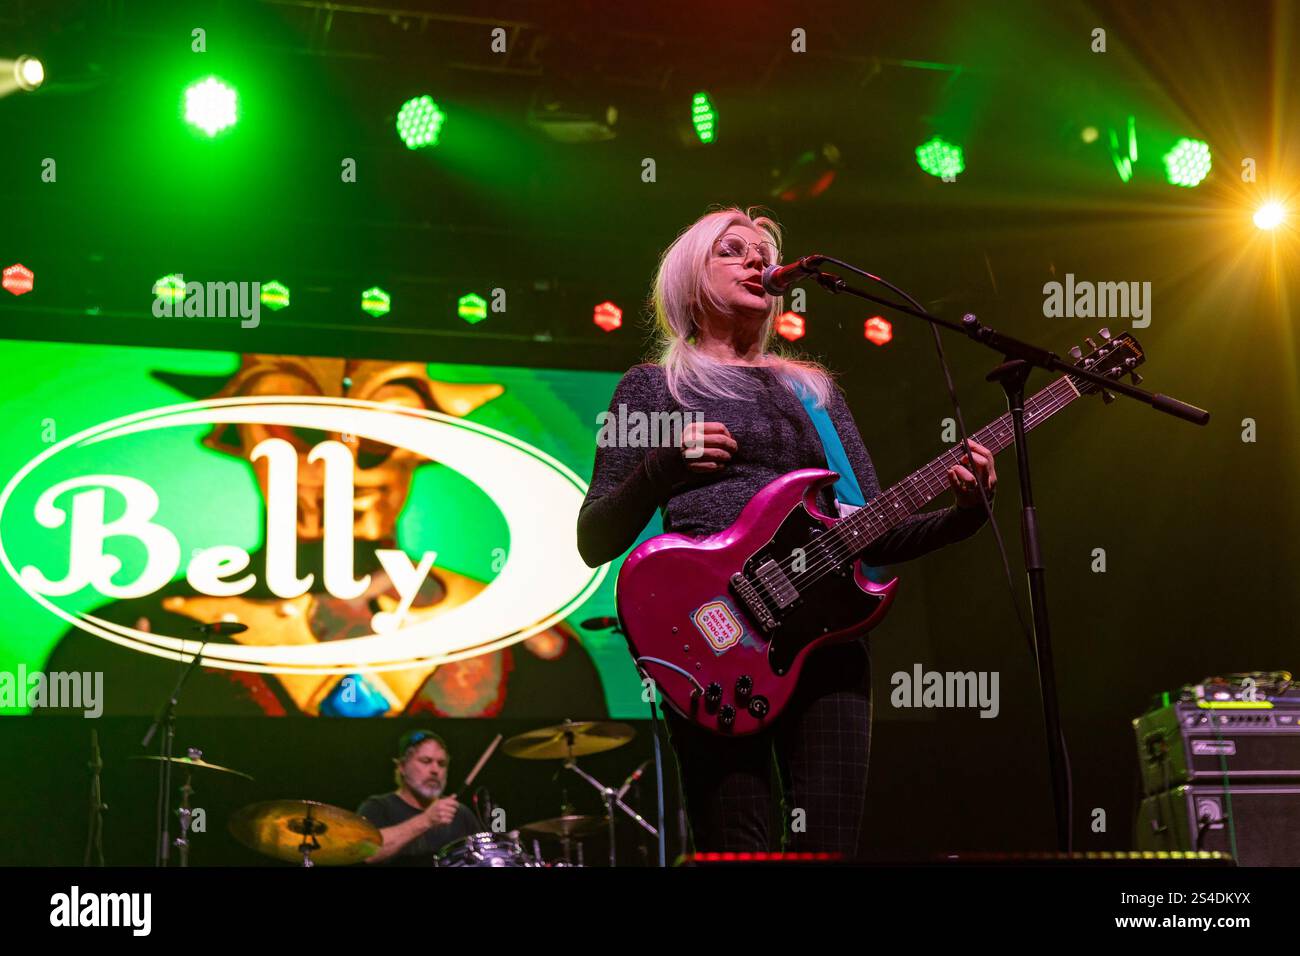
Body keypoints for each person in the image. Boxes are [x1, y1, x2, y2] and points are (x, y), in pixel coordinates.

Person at [575, 206, 997, 855]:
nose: (755, 260)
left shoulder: (813, 391)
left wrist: (966, 515)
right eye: (732, 250)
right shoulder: (653, 388)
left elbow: (871, 529)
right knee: (737, 845)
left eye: (762, 251)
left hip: (824, 644)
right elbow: (594, 536)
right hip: (712, 640)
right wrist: (664, 463)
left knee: (826, 847)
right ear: (690, 278)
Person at [357, 730, 481, 865]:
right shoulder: (378, 807)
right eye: (426, 761)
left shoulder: (461, 814)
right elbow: (367, 854)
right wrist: (426, 820)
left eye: (441, 763)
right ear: (402, 767)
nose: (435, 770)